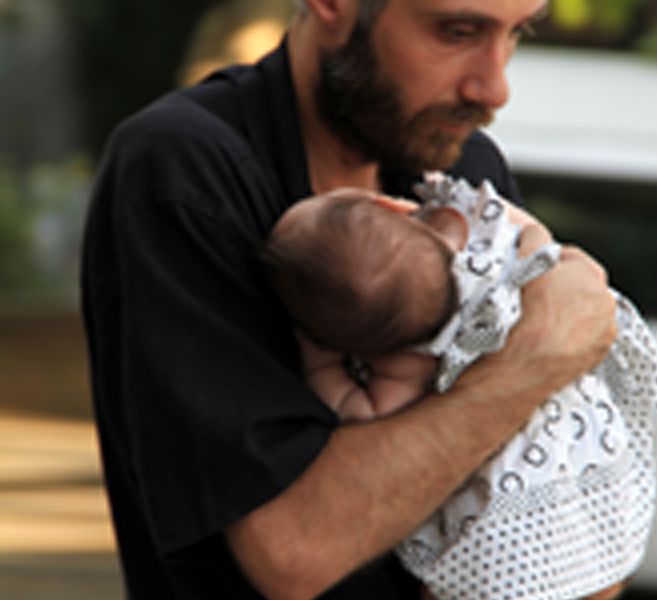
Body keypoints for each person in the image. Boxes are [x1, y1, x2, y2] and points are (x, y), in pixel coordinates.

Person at [80, 0, 619, 598]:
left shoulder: (461, 168)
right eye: (457, 31)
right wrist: (537, 358)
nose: (493, 87)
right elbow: (293, 553)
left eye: (518, 32)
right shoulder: (188, 170)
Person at [262, 175, 657, 600]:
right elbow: (534, 236)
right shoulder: (481, 240)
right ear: (397, 209)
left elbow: (359, 410)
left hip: (514, 514)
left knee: (488, 565)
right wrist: (538, 259)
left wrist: (319, 362)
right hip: (578, 433)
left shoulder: (405, 363)